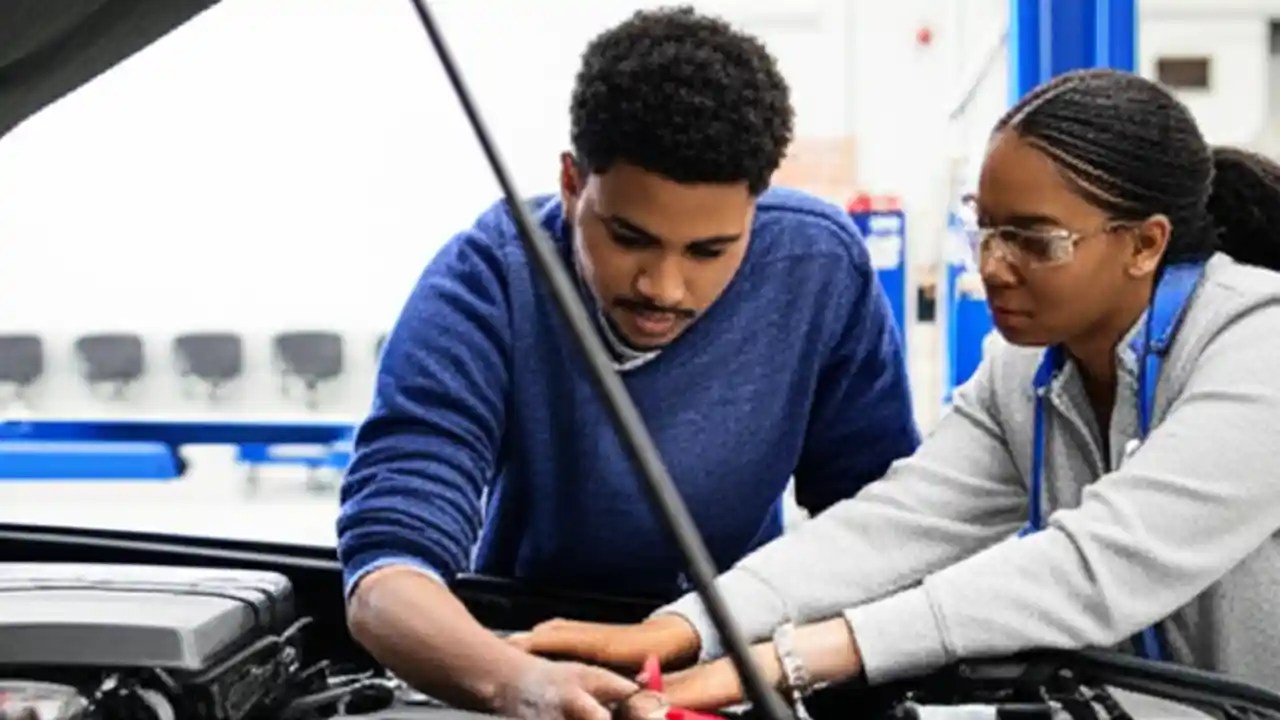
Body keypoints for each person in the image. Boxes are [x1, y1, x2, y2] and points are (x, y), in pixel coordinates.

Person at [511, 67, 1280, 717]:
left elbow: (1097, 565)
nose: (995, 266)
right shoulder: (1027, 370)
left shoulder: (1258, 349)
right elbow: (893, 527)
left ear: (1145, 243)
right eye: (987, 228)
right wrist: (684, 628)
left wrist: (792, 658)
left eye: (1036, 240)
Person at [337, 6, 919, 718]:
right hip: (529, 661)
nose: (664, 288)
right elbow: (387, 576)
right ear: (572, 183)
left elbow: (880, 528)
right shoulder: (490, 280)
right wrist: (516, 684)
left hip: (733, 666)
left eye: (710, 250)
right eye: (629, 237)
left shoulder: (818, 268)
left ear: (755, 210)